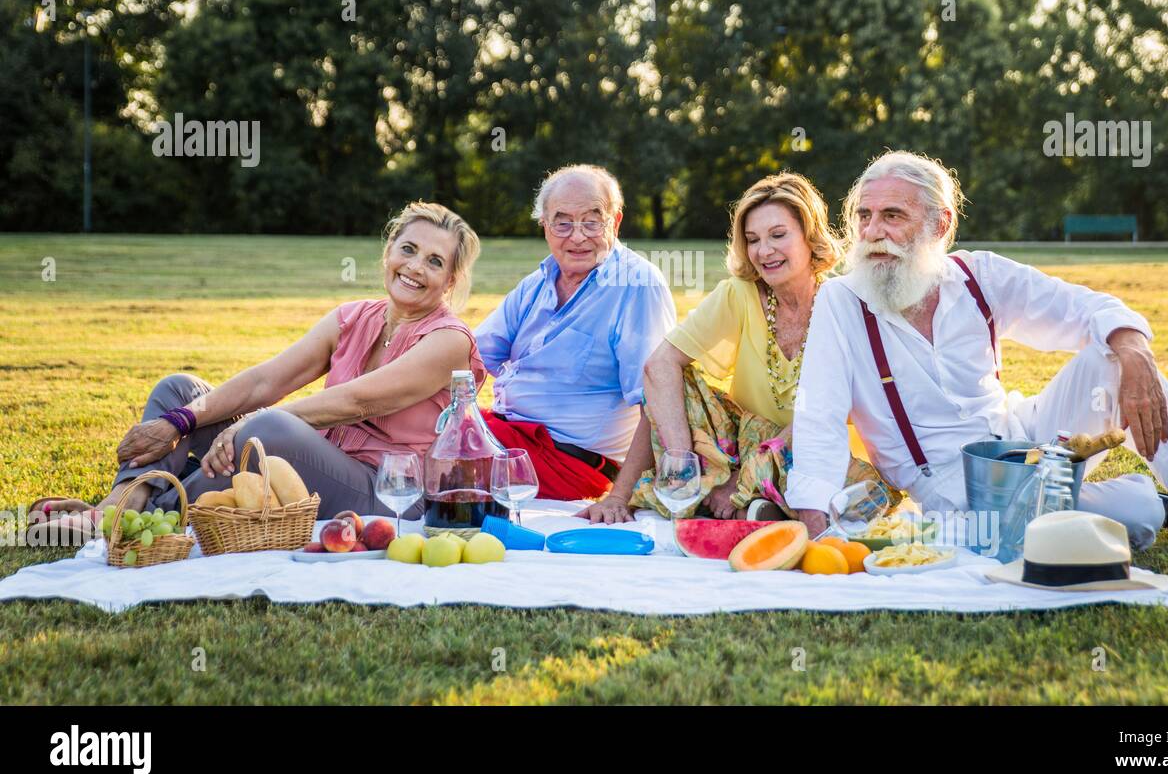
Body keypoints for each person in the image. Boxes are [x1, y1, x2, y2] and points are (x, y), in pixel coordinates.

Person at [784, 150, 1168, 555]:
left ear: (940, 225)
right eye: (864, 216)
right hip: (952, 489)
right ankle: (1133, 501)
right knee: (1136, 516)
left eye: (892, 216)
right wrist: (814, 521)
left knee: (1113, 354)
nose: (873, 233)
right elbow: (820, 415)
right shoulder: (841, 300)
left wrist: (1135, 351)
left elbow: (1085, 308)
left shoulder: (977, 276)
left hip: (1024, 436)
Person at [28, 202, 487, 543]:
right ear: (389, 251)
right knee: (181, 390)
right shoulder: (353, 317)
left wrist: (251, 426)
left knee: (268, 427)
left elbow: (357, 401)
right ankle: (118, 505)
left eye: (434, 261)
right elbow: (265, 381)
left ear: (450, 280)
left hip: (385, 490)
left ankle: (143, 513)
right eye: (408, 249)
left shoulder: (450, 341)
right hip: (312, 461)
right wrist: (180, 422)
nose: (414, 267)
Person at [583, 172, 884, 524]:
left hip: (803, 453)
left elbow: (818, 418)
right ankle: (726, 497)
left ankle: (749, 504)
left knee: (867, 498)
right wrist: (682, 464)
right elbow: (659, 366)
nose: (763, 251)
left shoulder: (842, 304)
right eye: (753, 239)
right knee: (673, 383)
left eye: (778, 235)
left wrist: (742, 483)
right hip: (734, 450)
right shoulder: (738, 293)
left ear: (810, 236)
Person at [475, 164, 677, 500]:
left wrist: (619, 498)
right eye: (563, 222)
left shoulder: (636, 285)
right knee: (417, 425)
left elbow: (657, 403)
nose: (578, 236)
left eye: (592, 221)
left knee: (430, 451)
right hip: (510, 436)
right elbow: (472, 356)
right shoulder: (538, 282)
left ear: (615, 222)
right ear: (545, 226)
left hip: (569, 462)